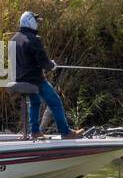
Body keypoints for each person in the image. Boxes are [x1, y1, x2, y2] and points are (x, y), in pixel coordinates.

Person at [11, 10, 80, 139]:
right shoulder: (34, 40)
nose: (37, 24)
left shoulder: (13, 39)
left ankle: (35, 131)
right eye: (36, 21)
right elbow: (44, 63)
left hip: (19, 79)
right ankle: (65, 132)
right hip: (34, 80)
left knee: (35, 101)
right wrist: (52, 65)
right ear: (30, 22)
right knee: (55, 101)